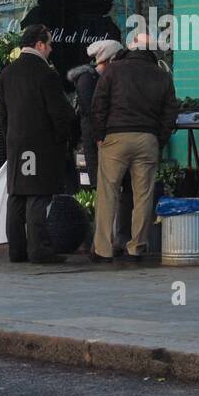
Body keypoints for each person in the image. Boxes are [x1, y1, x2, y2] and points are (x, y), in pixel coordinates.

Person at [89, 33, 180, 264]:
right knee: (143, 195)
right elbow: (170, 112)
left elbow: (98, 104)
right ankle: (136, 247)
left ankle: (103, 249)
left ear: (130, 48)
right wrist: (159, 139)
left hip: (116, 138)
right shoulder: (162, 75)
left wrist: (100, 135)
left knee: (108, 193)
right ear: (151, 52)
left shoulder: (114, 70)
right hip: (147, 138)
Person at [0, 24, 80, 265]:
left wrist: (10, 137)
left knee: (16, 195)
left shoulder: (7, 73)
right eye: (50, 44)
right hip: (41, 144)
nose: (52, 49)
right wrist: (64, 139)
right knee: (37, 195)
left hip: (16, 142)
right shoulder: (46, 74)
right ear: (40, 44)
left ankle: (17, 250)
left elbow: (2, 114)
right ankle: (39, 250)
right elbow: (59, 113)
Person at [67, 38, 131, 255]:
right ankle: (98, 241)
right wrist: (100, 138)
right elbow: (92, 112)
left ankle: (110, 239)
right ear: (109, 58)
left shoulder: (103, 78)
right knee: (101, 189)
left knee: (110, 189)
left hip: (103, 141)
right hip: (96, 143)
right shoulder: (88, 79)